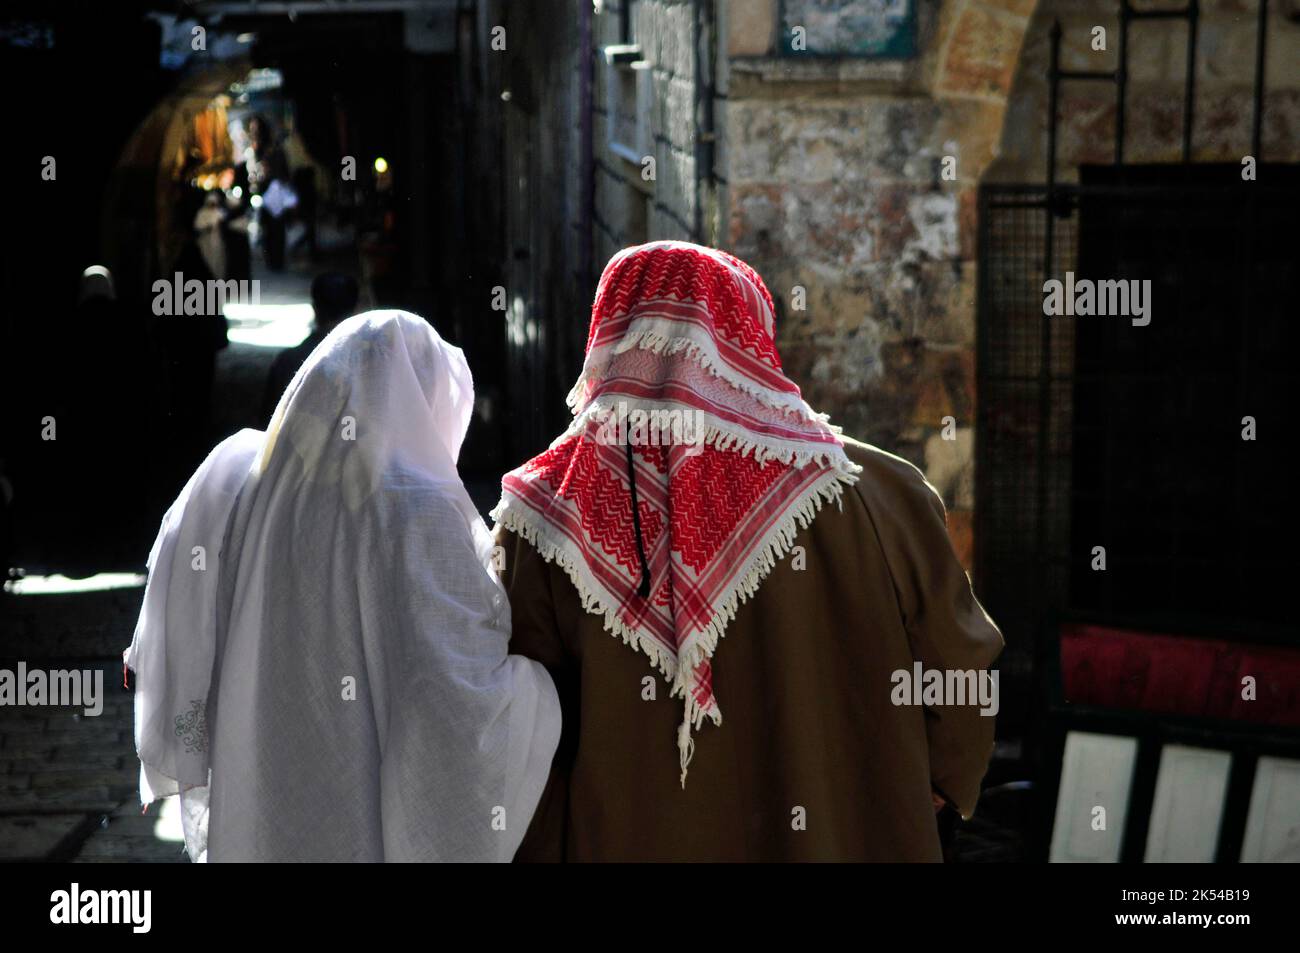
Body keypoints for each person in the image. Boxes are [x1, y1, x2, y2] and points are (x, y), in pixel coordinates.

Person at [492, 241, 1004, 861]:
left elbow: (523, 730)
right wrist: (923, 794)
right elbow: (960, 673)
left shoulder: (541, 516)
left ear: (609, 334)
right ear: (752, 338)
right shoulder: (885, 496)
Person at [126, 311, 560, 862]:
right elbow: (450, 703)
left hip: (268, 798)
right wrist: (542, 694)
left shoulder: (257, 490)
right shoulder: (417, 510)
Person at [261, 272, 360, 424]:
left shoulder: (288, 361)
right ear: (356, 309)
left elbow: (267, 422)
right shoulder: (371, 363)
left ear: (315, 308)